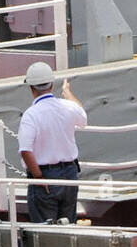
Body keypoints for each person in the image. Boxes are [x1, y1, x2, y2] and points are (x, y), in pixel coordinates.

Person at [18, 61, 86, 224]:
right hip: (69, 174)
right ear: (52, 84)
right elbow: (82, 115)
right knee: (68, 229)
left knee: (45, 232)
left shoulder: (31, 115)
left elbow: (25, 150)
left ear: (31, 88)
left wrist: (39, 178)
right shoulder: (68, 107)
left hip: (45, 176)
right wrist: (67, 92)